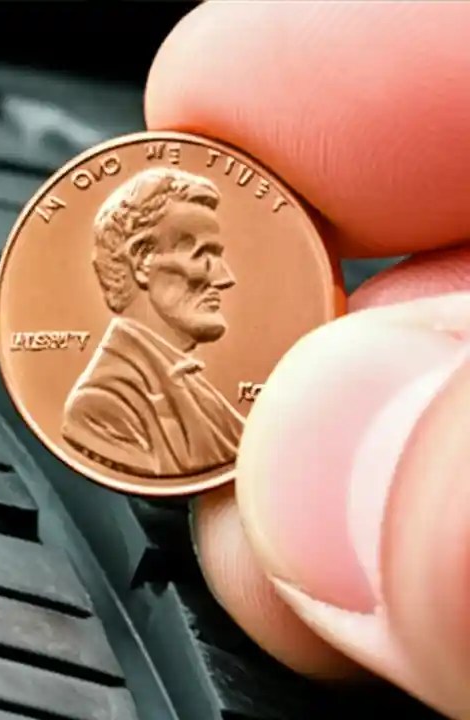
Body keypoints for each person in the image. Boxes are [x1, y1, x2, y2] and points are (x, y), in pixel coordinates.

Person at [147, 4, 470, 718]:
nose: (224, 278)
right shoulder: (114, 405)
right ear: (136, 273)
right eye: (201, 254)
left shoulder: (197, 398)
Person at [62, 167, 243, 477]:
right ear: (143, 260)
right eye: (204, 256)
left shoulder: (197, 388)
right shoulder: (101, 405)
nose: (225, 278)